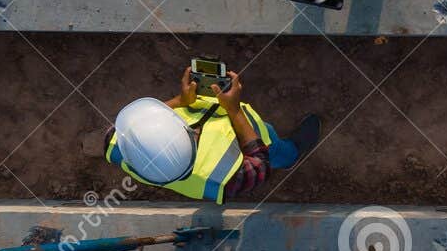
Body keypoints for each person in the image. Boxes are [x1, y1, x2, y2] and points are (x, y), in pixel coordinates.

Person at [106, 67, 321, 203]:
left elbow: (134, 123)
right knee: (270, 142)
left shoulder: (121, 145)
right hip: (239, 141)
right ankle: (290, 156)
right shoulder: (224, 179)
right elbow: (259, 163)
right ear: (191, 135)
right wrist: (234, 111)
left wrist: (180, 102)